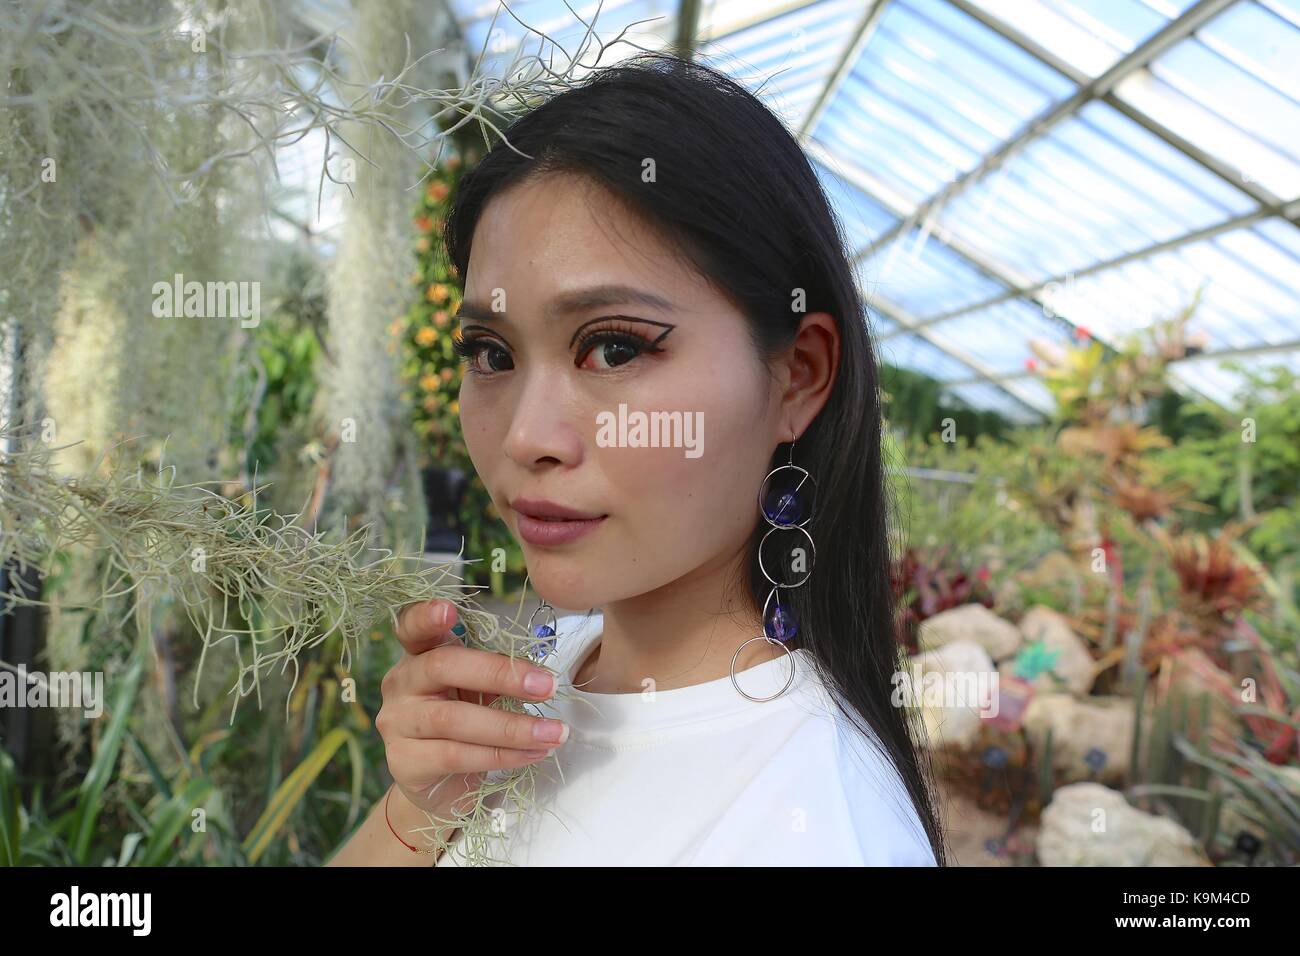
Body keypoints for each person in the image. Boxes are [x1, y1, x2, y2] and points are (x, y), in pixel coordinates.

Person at [328, 51, 945, 867]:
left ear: (798, 376)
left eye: (614, 349)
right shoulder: (556, 662)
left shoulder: (812, 824)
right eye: (491, 352)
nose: (525, 437)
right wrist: (423, 808)